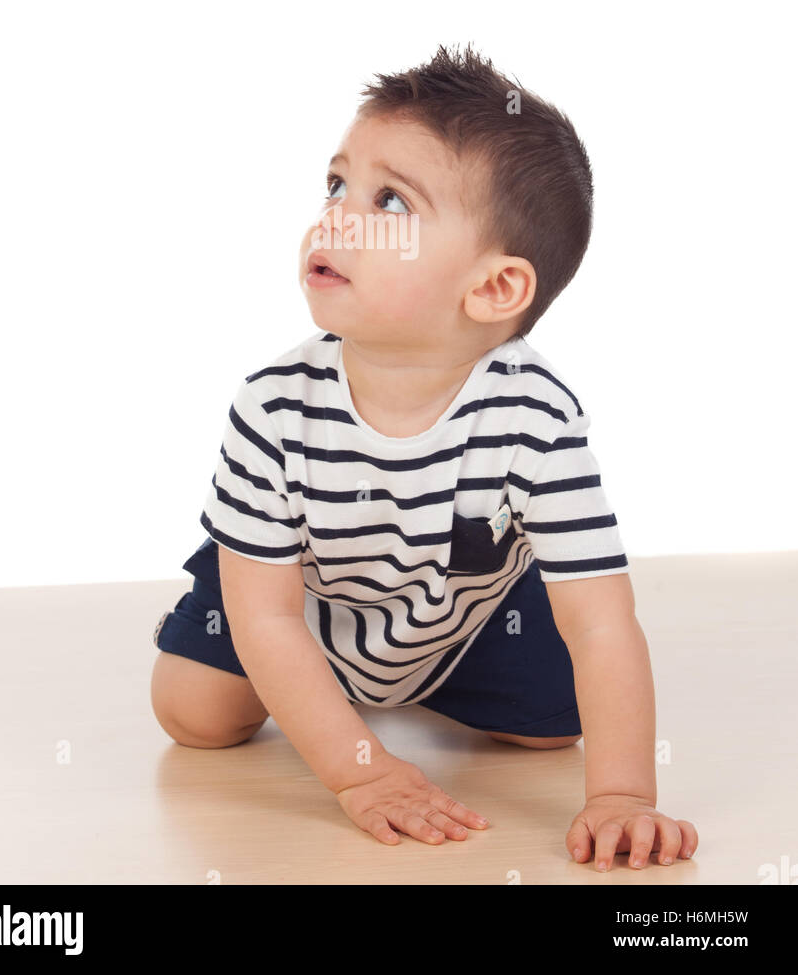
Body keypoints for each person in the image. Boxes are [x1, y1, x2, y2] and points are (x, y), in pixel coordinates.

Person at [150, 42, 698, 870]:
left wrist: (623, 795)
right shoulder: (273, 405)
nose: (336, 215)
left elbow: (600, 620)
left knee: (554, 726)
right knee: (193, 714)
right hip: (301, 601)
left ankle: (423, 676)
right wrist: (358, 770)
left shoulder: (537, 414)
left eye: (389, 201)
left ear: (492, 289)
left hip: (456, 612)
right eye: (336, 185)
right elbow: (265, 617)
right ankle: (295, 650)